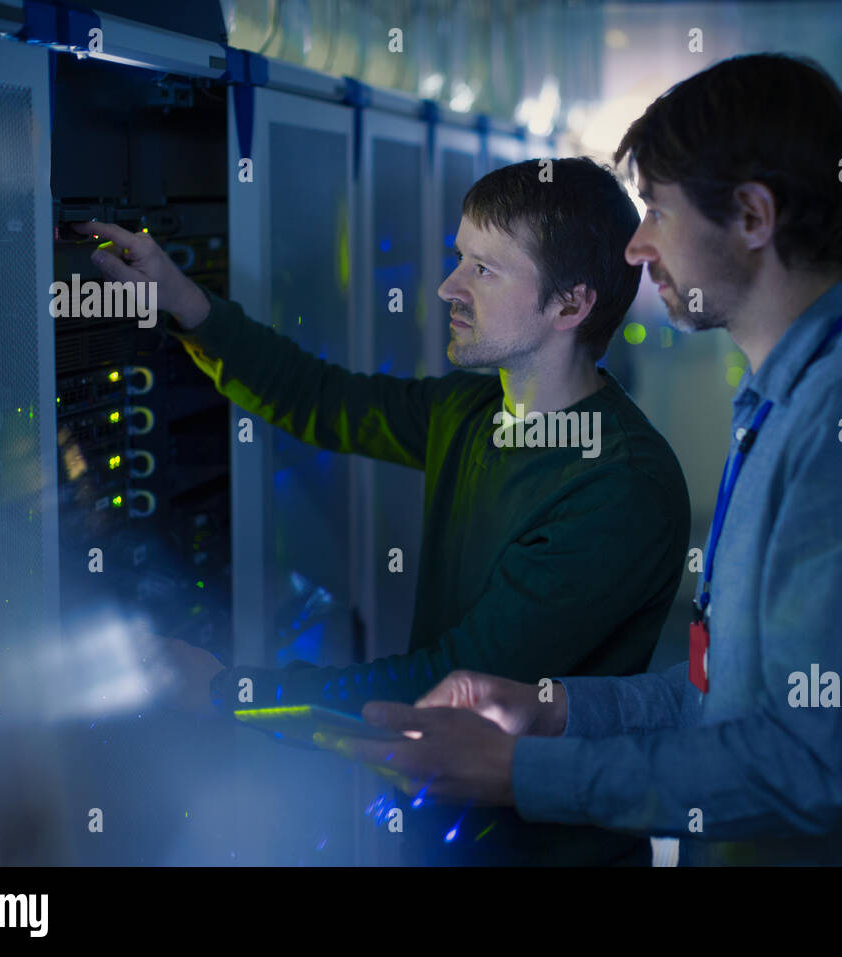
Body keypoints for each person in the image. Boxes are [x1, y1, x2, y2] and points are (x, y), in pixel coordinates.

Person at [343, 53, 842, 866]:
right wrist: (547, 711)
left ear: (753, 218)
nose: (639, 244)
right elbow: (723, 698)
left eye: (657, 209)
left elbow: (804, 765)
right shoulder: (787, 406)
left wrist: (521, 771)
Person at [75, 156, 691, 866]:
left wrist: (227, 689)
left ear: (570, 305)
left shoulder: (619, 486)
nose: (446, 287)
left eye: (484, 270)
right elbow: (323, 399)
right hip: (447, 834)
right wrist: (188, 305)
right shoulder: (473, 411)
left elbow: (449, 684)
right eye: (459, 257)